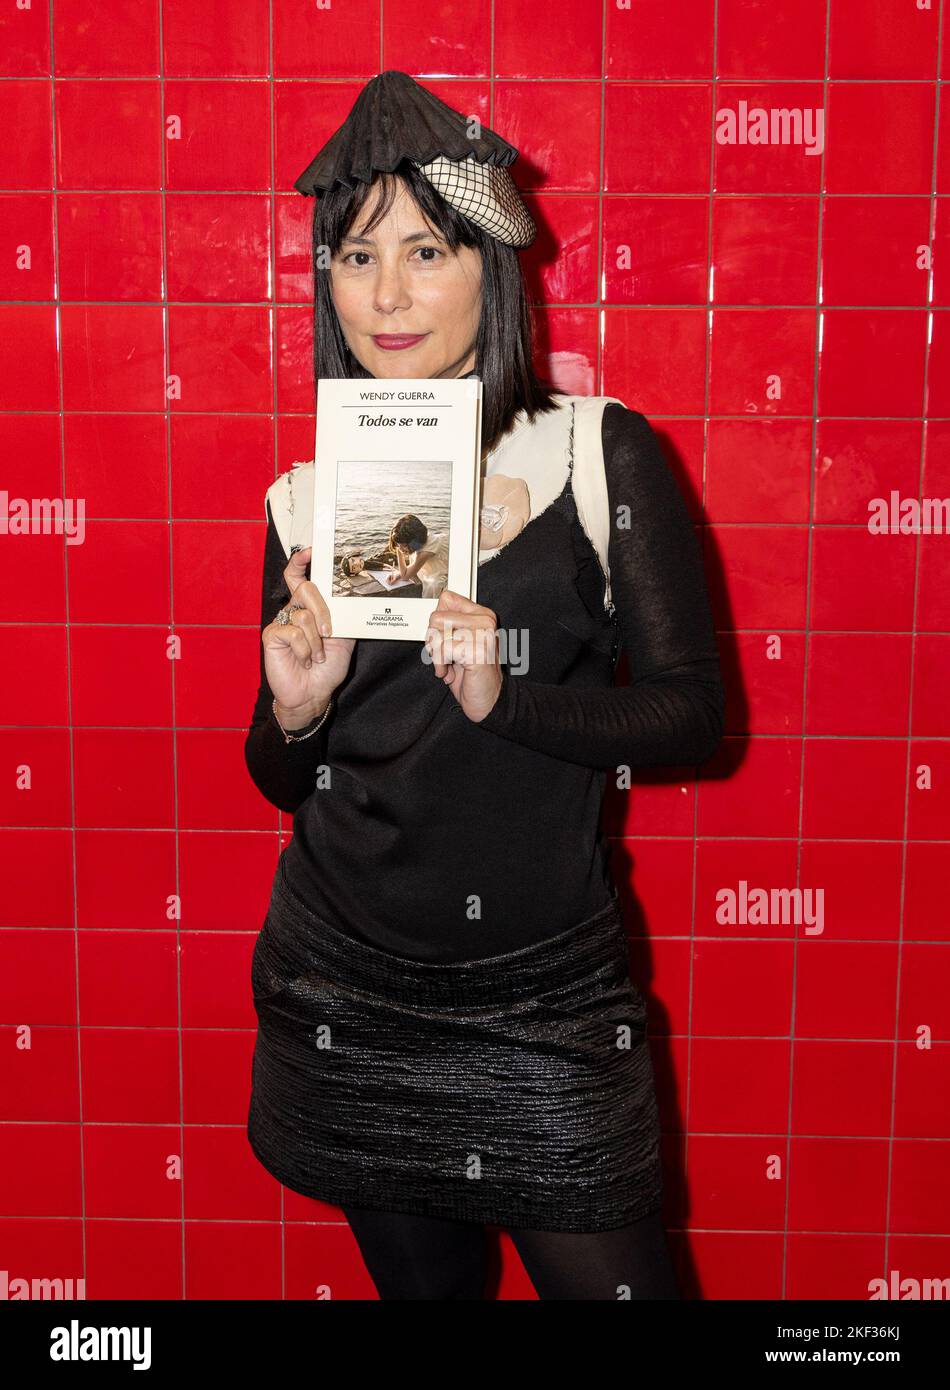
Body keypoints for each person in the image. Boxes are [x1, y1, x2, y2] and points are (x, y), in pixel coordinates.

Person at [244, 71, 725, 1301]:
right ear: (324, 281)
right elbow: (279, 775)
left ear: (492, 266)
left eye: (425, 249)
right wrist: (296, 708)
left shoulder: (591, 451)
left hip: (546, 1002)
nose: (388, 294)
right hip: (345, 985)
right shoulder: (309, 495)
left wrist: (507, 695)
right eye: (357, 257)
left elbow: (693, 717)